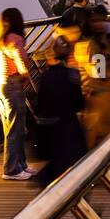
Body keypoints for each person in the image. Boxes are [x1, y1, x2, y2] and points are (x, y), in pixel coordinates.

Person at [31, 36, 87, 188]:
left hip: (50, 130)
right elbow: (79, 104)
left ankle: (45, 183)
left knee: (57, 163)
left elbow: (40, 105)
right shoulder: (73, 75)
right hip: (70, 128)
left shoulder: (45, 77)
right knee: (77, 162)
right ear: (69, 55)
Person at [0, 7, 34, 180]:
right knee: (16, 128)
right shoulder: (15, 39)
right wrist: (25, 75)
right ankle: (11, 169)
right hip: (12, 85)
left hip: (0, 84)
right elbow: (22, 60)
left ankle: (21, 164)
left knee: (11, 127)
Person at [76, 5, 110, 148]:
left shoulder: (81, 42)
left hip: (86, 87)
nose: (100, 24)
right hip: (97, 91)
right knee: (97, 127)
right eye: (95, 21)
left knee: (93, 126)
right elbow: (99, 72)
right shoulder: (94, 44)